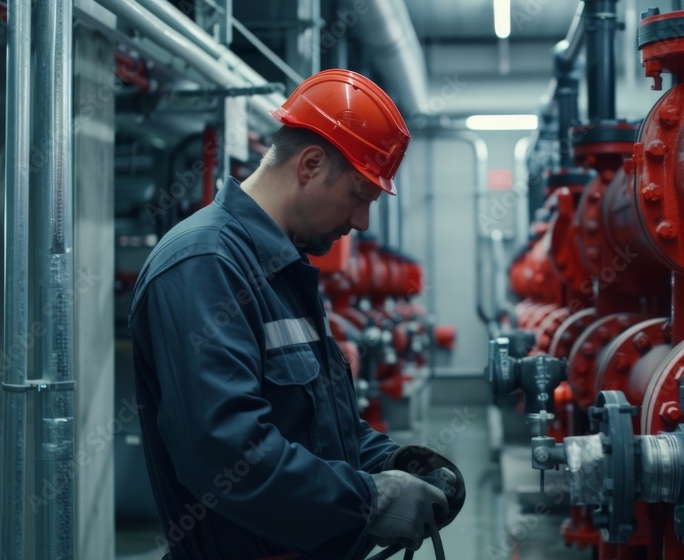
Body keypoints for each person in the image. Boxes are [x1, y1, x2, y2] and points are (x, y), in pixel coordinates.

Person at [129, 69, 464, 560]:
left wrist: (395, 462)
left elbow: (321, 430)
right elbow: (226, 452)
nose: (361, 221)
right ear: (309, 165)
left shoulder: (282, 270)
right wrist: (370, 499)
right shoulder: (206, 265)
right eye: (358, 195)